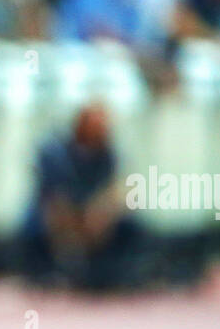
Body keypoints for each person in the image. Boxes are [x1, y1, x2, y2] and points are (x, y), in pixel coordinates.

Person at [19, 104, 146, 292]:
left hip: (94, 216)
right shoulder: (55, 152)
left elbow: (117, 189)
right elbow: (53, 198)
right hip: (60, 214)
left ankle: (113, 274)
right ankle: (45, 274)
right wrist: (75, 222)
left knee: (132, 224)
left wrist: (101, 214)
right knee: (33, 223)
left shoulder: (109, 153)